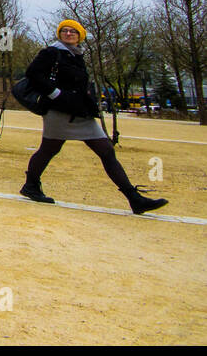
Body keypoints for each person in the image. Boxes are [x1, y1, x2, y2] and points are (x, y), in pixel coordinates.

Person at [20, 19, 168, 215]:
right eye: (65, 30)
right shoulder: (51, 52)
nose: (68, 34)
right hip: (59, 111)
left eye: (73, 31)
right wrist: (55, 93)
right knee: (48, 150)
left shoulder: (77, 55)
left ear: (80, 36)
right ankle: (31, 185)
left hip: (80, 112)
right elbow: (32, 73)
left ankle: (134, 198)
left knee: (106, 150)